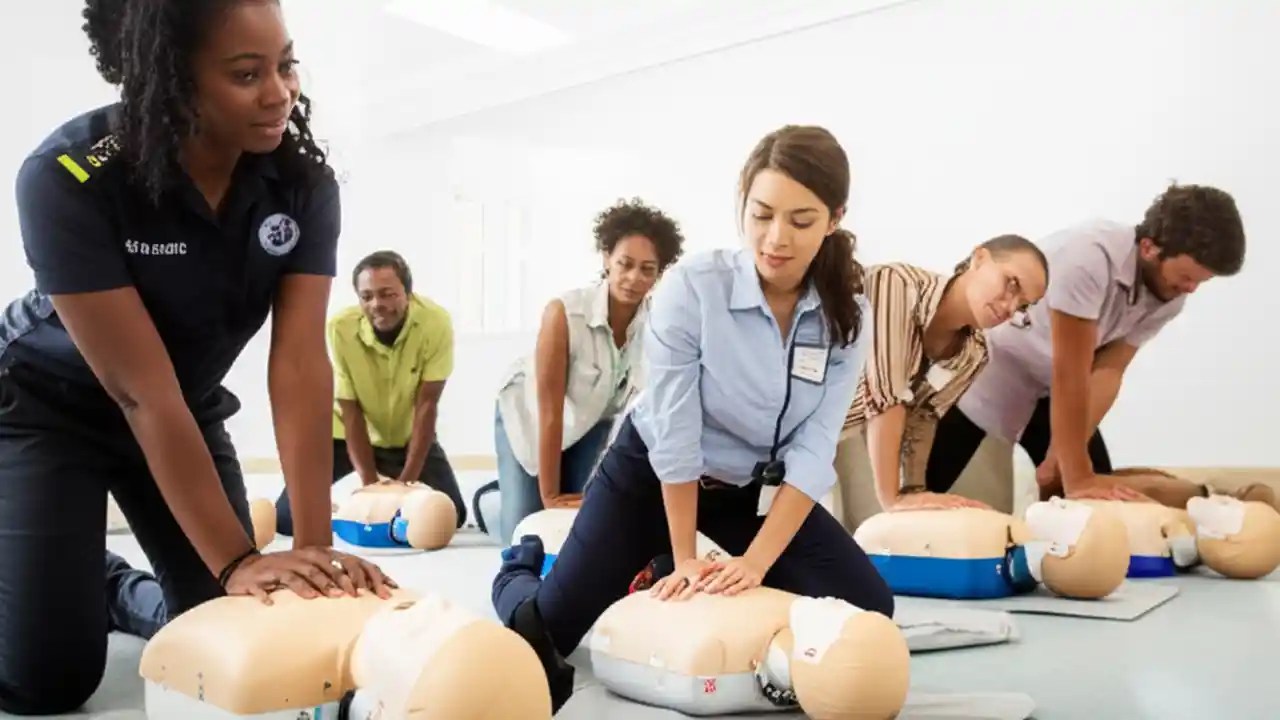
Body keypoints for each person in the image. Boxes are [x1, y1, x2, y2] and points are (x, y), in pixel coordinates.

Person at [0, 1, 391, 714]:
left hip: (183, 404)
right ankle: (70, 570)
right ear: (171, 79)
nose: (279, 93)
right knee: (45, 681)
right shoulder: (67, 177)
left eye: (285, 64)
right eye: (247, 74)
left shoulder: (300, 184)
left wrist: (315, 554)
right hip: (45, 410)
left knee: (234, 625)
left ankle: (113, 591)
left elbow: (300, 367)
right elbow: (138, 392)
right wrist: (240, 558)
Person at [490, 125, 894, 712]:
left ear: (834, 219)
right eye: (761, 215)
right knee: (544, 638)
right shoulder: (695, 287)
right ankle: (519, 568)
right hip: (649, 478)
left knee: (867, 607)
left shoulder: (847, 312)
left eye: (801, 221)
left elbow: (815, 445)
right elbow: (675, 435)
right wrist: (685, 561)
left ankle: (653, 567)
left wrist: (754, 565)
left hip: (747, 491)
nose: (776, 238)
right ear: (742, 204)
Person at [925, 184, 1248, 505]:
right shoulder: (1088, 257)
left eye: (1200, 282)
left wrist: (1064, 462)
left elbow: (1108, 371)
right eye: (1186, 277)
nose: (1190, 290)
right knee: (924, 488)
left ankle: (1214, 498)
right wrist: (1077, 475)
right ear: (1149, 248)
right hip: (986, 366)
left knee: (1101, 496)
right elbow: (1071, 369)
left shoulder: (1170, 297)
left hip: (1048, 386)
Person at [486, 198, 686, 544]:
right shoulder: (564, 314)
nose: (633, 278)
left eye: (647, 269)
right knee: (525, 535)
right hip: (532, 421)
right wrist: (548, 495)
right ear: (606, 258)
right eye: (625, 264)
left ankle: (538, 486)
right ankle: (497, 499)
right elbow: (549, 411)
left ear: (660, 273)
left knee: (594, 518)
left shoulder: (658, 325)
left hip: (591, 423)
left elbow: (642, 415)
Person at [831, 236, 1049, 530]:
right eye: (1011, 284)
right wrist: (892, 499)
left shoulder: (975, 353)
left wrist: (915, 492)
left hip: (805, 447)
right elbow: (886, 397)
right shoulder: (895, 284)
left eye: (1023, 306)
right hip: (764, 420)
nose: (1010, 307)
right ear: (979, 259)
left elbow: (923, 417)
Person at [274, 250, 466, 535]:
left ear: (407, 293)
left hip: (406, 438)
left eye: (388, 294)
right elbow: (351, 413)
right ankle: (344, 513)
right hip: (344, 436)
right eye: (367, 296)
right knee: (287, 519)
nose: (377, 304)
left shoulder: (435, 323)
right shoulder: (341, 328)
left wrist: (405, 486)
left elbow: (427, 406)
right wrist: (370, 486)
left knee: (452, 515)